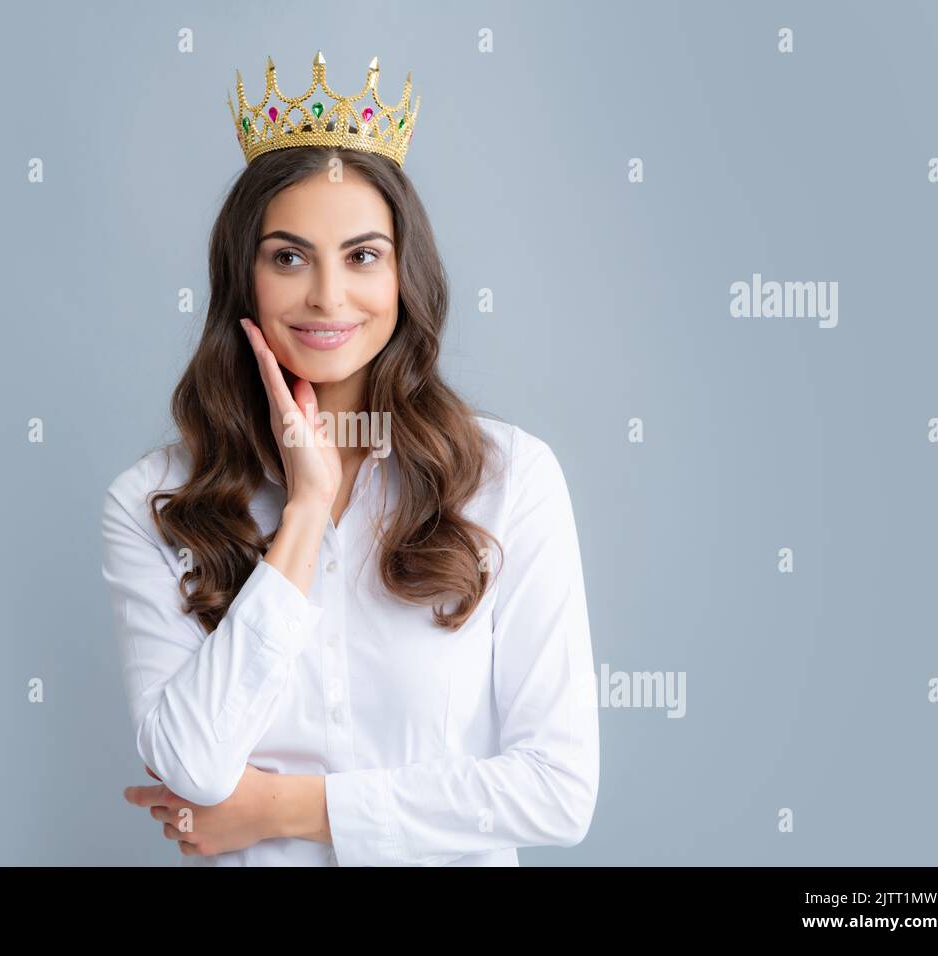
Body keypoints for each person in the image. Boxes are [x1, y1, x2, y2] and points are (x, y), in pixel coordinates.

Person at [102, 52, 599, 865]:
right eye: (288, 257)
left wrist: (282, 808)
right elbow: (191, 769)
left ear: (406, 274)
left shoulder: (509, 479)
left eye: (363, 255)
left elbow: (557, 790)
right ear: (245, 278)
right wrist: (301, 515)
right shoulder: (153, 500)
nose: (328, 297)